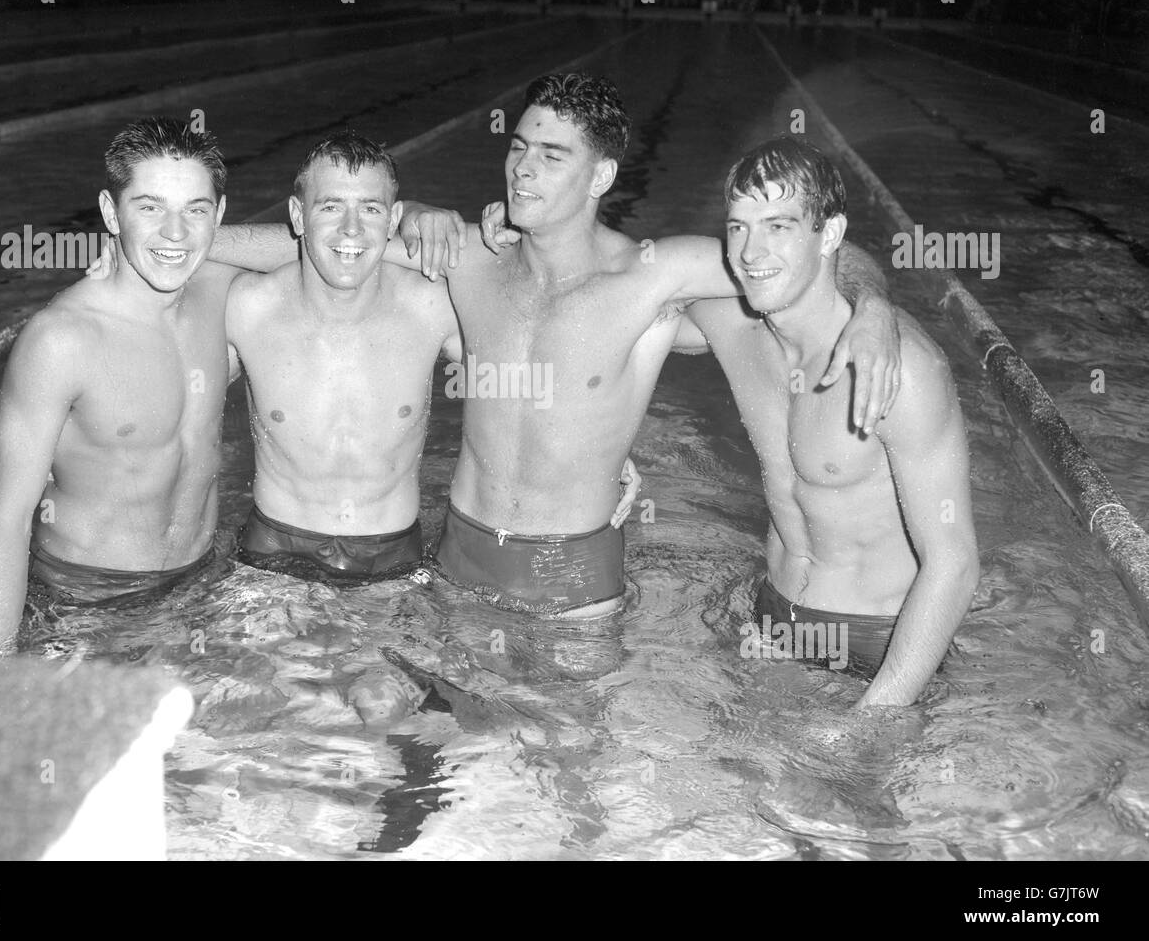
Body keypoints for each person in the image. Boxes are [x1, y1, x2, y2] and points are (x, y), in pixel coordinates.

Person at [211, 73, 903, 621]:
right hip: (458, 558)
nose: (523, 169)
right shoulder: (475, 259)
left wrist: (873, 310)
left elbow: (806, 257)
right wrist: (180, 245)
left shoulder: (652, 274)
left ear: (601, 177)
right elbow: (324, 247)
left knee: (570, 783)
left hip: (576, 575)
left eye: (551, 156)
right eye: (517, 148)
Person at [227, 132, 638, 581]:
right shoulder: (247, 307)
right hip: (272, 549)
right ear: (296, 216)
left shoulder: (432, 308)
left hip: (391, 554)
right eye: (330, 206)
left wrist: (603, 451)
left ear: (394, 219)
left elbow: (521, 384)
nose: (351, 229)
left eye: (370, 208)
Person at [681, 137, 979, 706]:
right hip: (772, 618)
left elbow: (956, 563)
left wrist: (877, 714)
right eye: (738, 227)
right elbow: (609, 311)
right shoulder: (732, 328)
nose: (751, 250)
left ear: (831, 235)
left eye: (779, 226)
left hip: (875, 648)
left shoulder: (901, 370)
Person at [0, 118, 237, 653]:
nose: (175, 233)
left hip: (200, 583)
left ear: (221, 215)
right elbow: (7, 522)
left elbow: (326, 242)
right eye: (149, 207)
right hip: (86, 603)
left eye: (196, 208)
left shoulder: (219, 293)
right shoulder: (61, 339)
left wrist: (415, 220)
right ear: (109, 212)